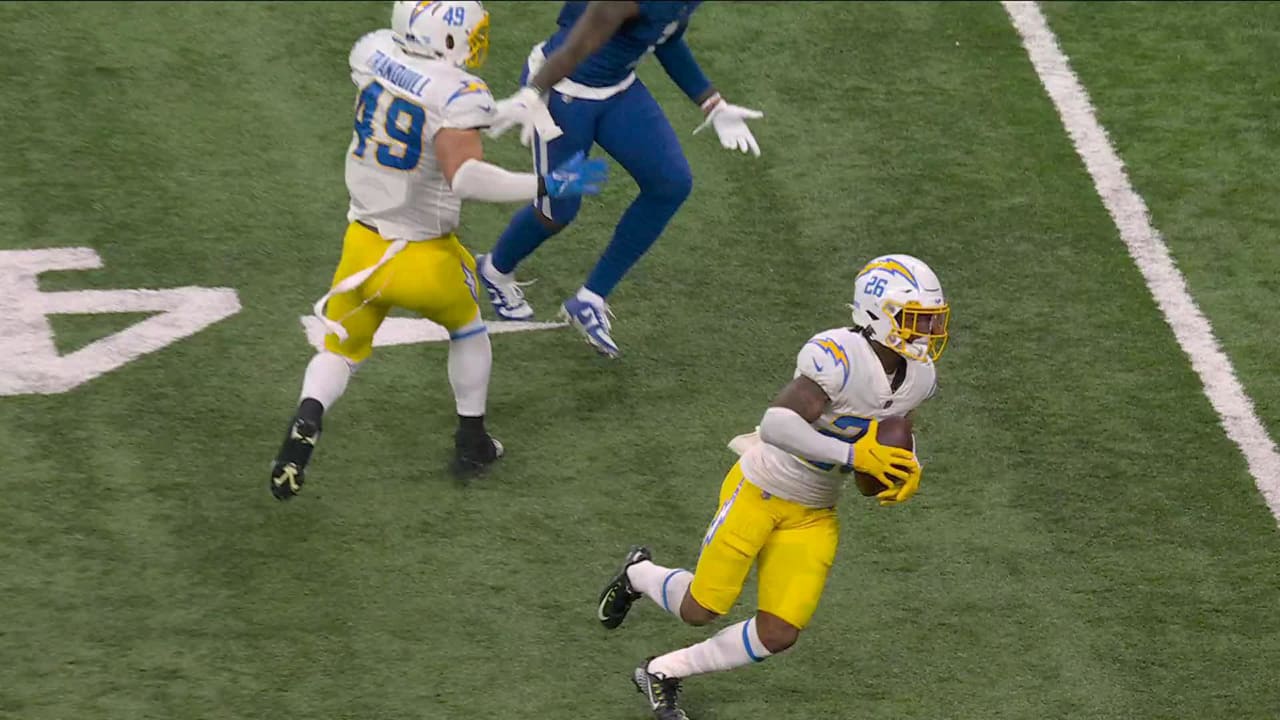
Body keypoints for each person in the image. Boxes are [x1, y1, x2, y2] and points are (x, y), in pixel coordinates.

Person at [270, 0, 608, 500]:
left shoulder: (376, 53)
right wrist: (545, 183)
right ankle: (472, 441)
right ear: (445, 39)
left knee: (339, 350)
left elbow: (419, 116)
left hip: (363, 245)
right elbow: (465, 175)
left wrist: (500, 112)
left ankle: (309, 413)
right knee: (469, 328)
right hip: (425, 256)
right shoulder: (457, 92)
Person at [595, 254, 951, 719]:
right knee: (701, 608)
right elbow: (776, 424)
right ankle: (638, 574)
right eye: (914, 320)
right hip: (761, 489)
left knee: (779, 632)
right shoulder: (838, 356)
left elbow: (895, 429)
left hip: (814, 511)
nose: (925, 334)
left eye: (931, 321)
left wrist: (905, 465)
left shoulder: (919, 378)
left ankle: (662, 671)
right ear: (875, 314)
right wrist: (852, 455)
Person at [476, 0, 765, 358]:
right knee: (559, 210)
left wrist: (711, 102)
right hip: (563, 90)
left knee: (670, 183)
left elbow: (666, 37)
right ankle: (494, 269)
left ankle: (590, 299)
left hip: (617, 88)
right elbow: (575, 49)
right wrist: (532, 93)